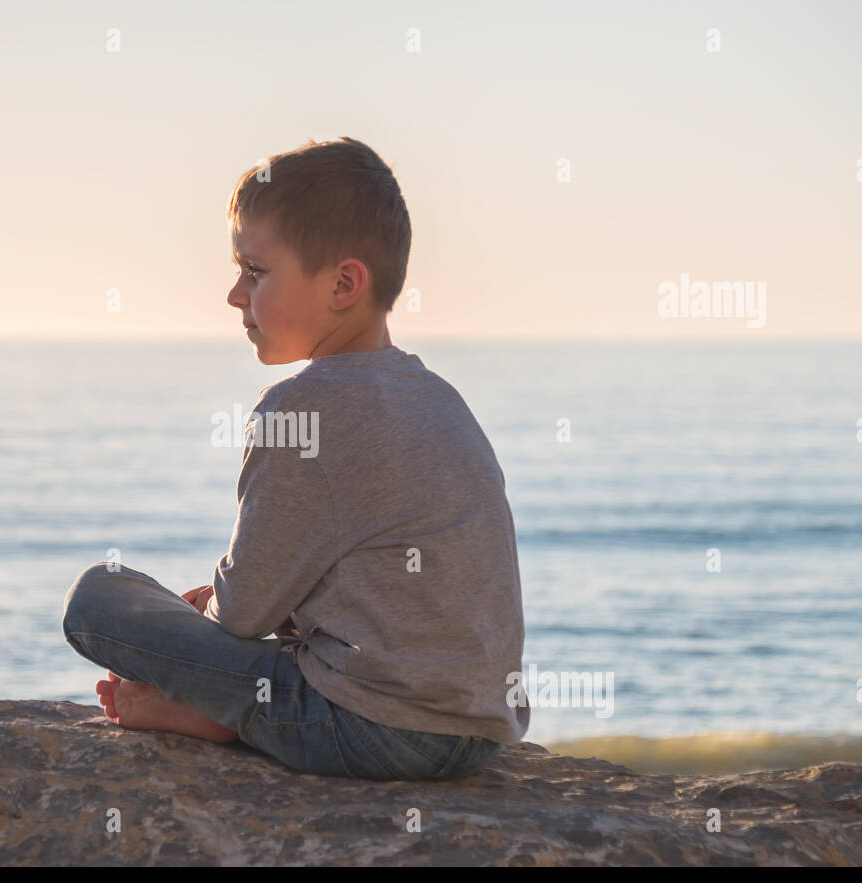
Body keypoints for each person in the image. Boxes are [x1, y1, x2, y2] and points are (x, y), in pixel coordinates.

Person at [61, 137, 530, 780]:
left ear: (342, 283)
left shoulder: (298, 410)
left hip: (362, 729)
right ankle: (232, 708)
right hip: (479, 734)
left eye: (254, 272)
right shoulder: (440, 400)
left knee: (97, 598)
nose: (234, 294)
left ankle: (225, 714)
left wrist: (209, 612)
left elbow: (243, 613)